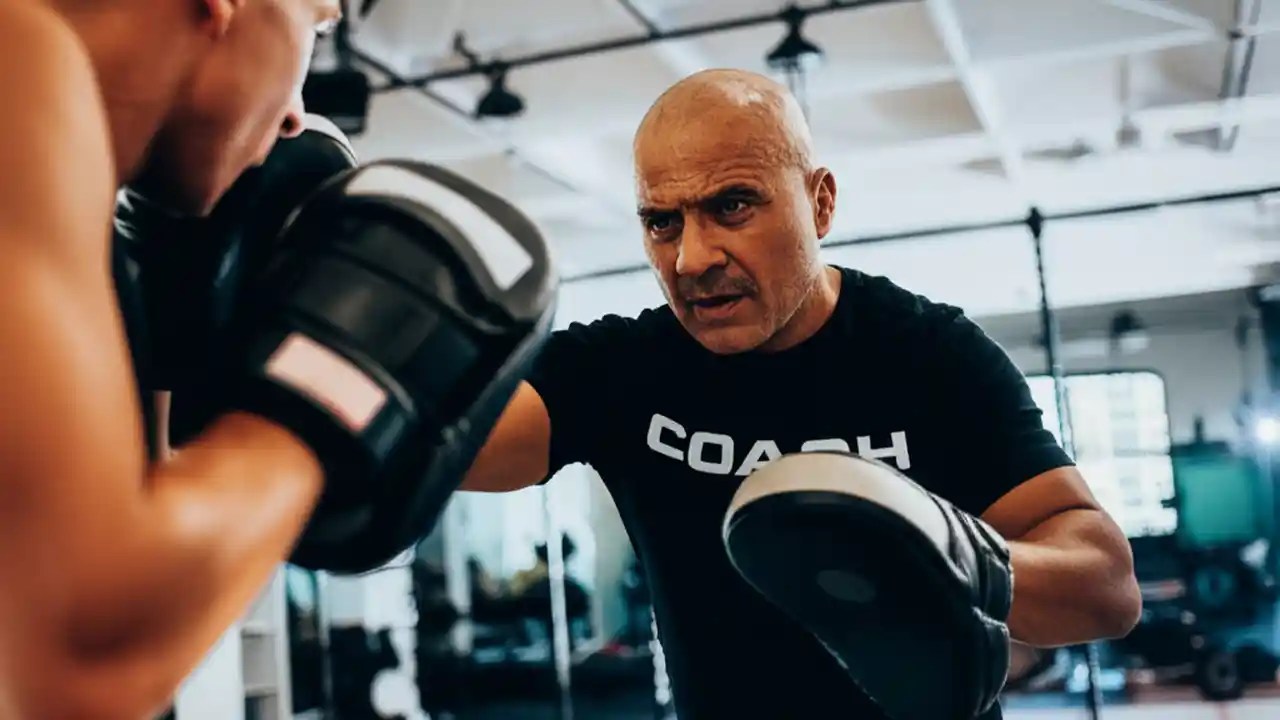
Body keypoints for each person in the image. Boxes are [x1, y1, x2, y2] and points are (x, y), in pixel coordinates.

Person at [460, 69, 1143, 717]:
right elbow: (423, 455)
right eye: (662, 221)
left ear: (820, 203)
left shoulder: (931, 356)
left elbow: (1107, 588)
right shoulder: (618, 368)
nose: (692, 258)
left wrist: (960, 559)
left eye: (731, 205)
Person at [1, 1, 554, 717]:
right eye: (315, 24)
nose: (297, 113)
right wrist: (326, 399)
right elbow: (80, 662)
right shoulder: (21, 57)